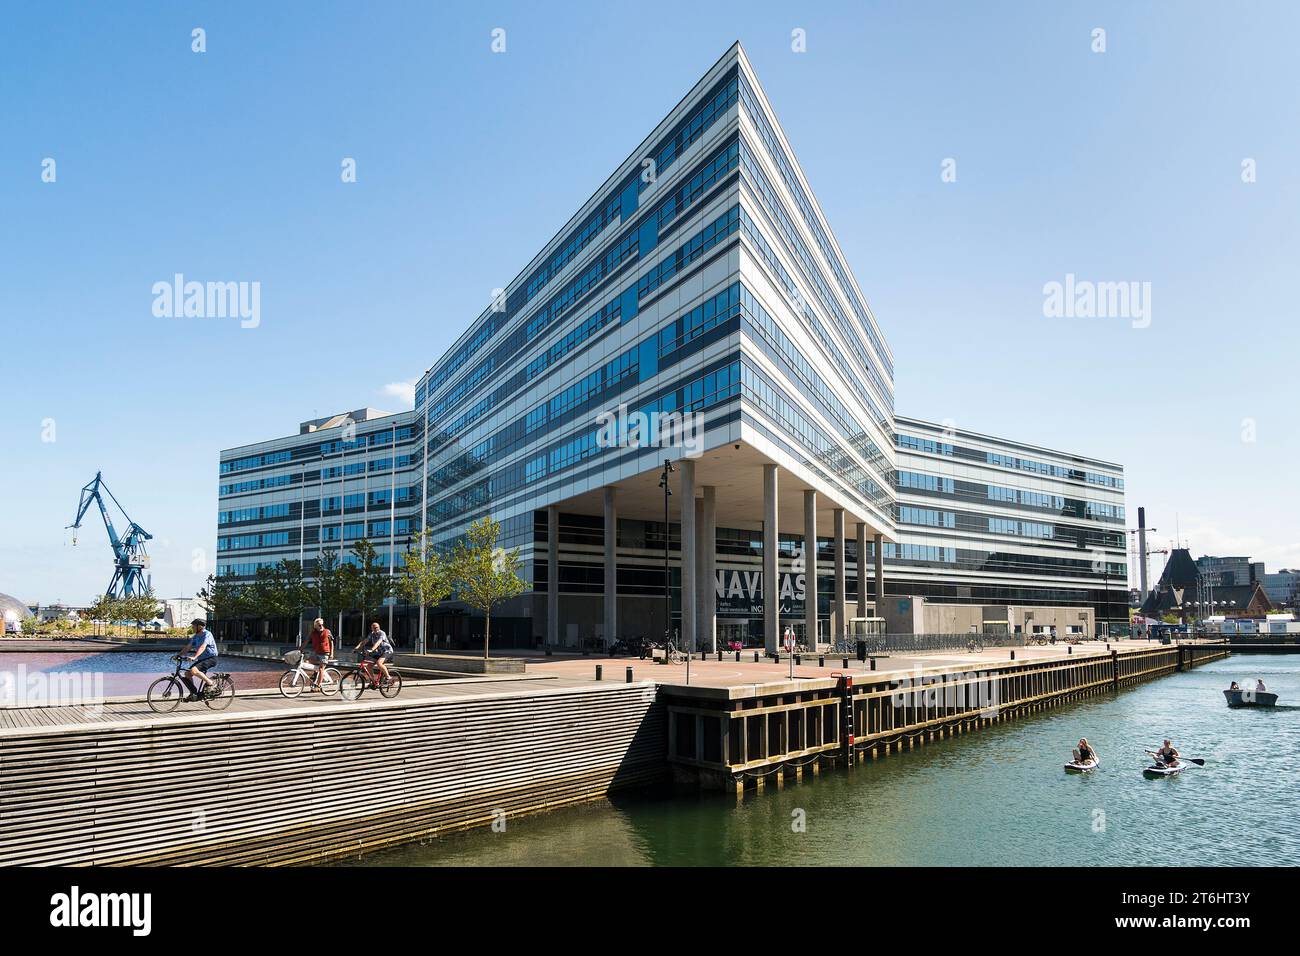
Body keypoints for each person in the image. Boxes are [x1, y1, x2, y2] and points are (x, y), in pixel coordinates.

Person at [180, 618, 218, 701]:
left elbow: (203, 647)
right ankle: (194, 693)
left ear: (200, 627)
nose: (192, 628)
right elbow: (188, 647)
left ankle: (211, 683)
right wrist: (179, 655)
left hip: (211, 658)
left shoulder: (207, 634)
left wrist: (194, 657)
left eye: (193, 626)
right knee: (187, 674)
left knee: (193, 670)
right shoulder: (196, 636)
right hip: (202, 659)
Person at [305, 618, 334, 690]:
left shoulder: (327, 631)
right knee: (307, 661)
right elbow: (306, 641)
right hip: (316, 652)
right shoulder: (313, 633)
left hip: (324, 653)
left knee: (321, 668)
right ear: (315, 626)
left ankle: (318, 685)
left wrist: (331, 653)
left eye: (322, 624)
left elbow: (331, 642)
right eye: (319, 625)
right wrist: (300, 649)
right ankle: (315, 673)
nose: (321, 626)